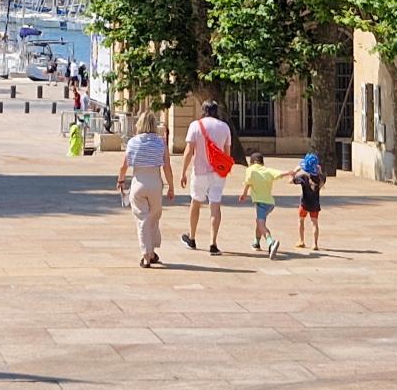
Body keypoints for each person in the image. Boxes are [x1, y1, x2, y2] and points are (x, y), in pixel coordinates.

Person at [115, 110, 174, 268]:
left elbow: (124, 166)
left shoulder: (133, 142)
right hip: (155, 183)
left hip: (138, 183)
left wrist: (121, 181)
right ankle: (151, 251)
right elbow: (167, 166)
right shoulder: (161, 142)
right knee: (154, 217)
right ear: (154, 125)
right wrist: (171, 186)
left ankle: (146, 255)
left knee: (142, 220)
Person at [178, 100, 234, 255]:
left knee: (195, 203)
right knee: (215, 205)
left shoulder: (195, 126)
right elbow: (227, 154)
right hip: (218, 172)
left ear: (203, 110)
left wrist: (183, 172)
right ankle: (213, 243)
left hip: (200, 171)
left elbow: (189, 151)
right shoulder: (224, 127)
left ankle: (192, 237)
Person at [239, 153, 284, 259]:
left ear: (252, 162)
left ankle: (271, 242)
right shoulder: (266, 171)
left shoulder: (250, 170)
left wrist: (244, 194)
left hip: (261, 203)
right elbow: (280, 173)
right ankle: (256, 242)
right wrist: (292, 172)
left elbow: (247, 182)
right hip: (270, 203)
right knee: (259, 221)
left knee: (261, 224)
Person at [291, 152, 325, 248]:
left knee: (301, 220)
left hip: (304, 203)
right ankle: (315, 244)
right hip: (315, 204)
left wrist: (295, 171)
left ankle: (301, 240)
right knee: (315, 223)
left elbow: (291, 180)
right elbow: (322, 180)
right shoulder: (320, 178)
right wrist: (320, 171)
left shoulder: (303, 177)